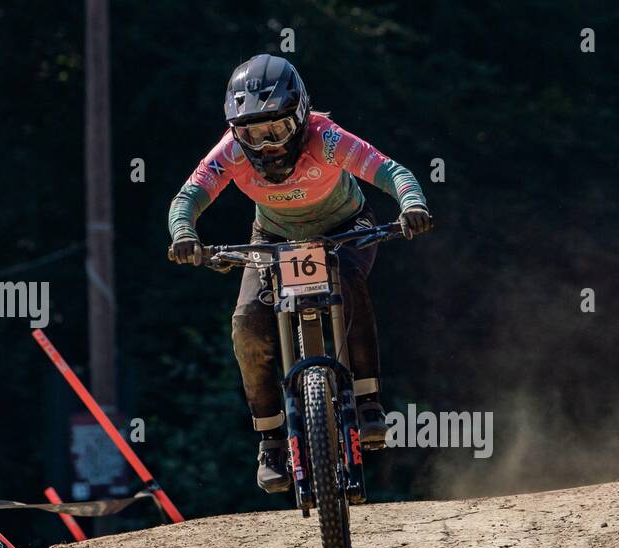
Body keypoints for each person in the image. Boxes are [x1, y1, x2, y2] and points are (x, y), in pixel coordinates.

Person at [167, 54, 431, 492]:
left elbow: (391, 171)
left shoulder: (327, 138)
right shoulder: (230, 152)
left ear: (302, 116)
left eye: (278, 130)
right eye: (253, 132)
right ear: (236, 132)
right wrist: (183, 232)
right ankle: (271, 441)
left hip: (345, 227)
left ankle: (367, 403)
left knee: (347, 280)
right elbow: (187, 197)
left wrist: (413, 205)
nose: (267, 145)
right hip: (271, 238)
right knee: (248, 322)